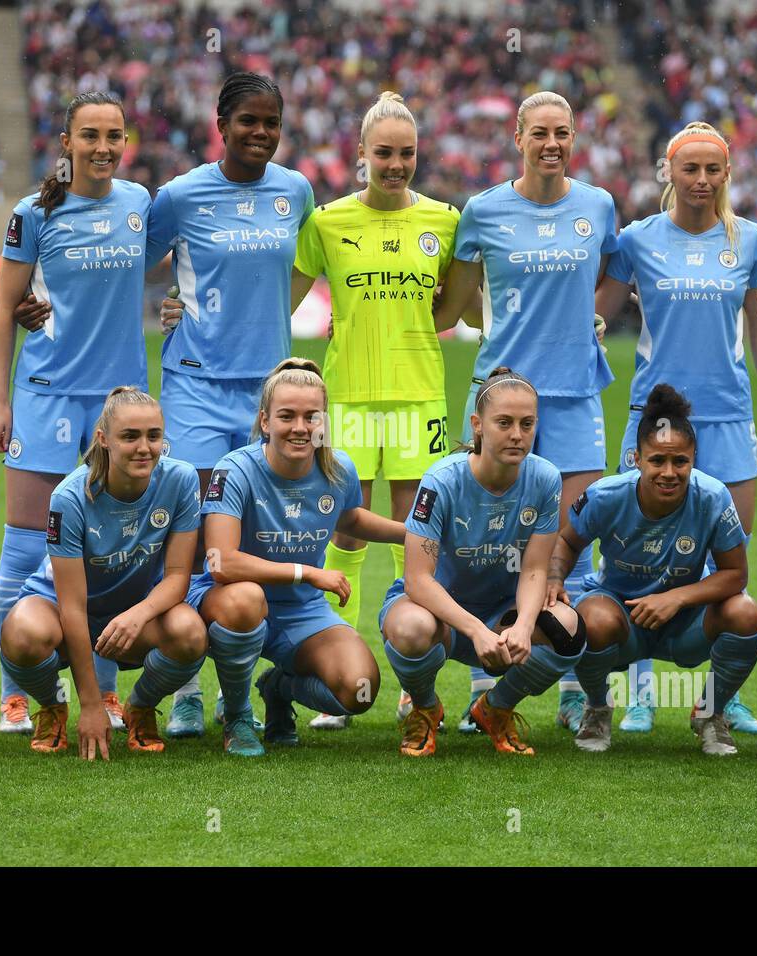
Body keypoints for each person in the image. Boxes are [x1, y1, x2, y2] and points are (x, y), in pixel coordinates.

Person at [590, 120, 757, 736]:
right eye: (690, 169)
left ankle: (717, 700)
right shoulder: (637, 240)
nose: (701, 180)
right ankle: (641, 693)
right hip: (653, 423)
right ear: (669, 174)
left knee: (725, 563)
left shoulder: (749, 241)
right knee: (634, 553)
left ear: (726, 175)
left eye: (713, 170)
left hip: (728, 418)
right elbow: (596, 310)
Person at [431, 91, 617, 731]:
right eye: (539, 132)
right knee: (486, 540)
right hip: (500, 394)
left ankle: (572, 687)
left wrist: (595, 320)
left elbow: (615, 275)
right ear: (518, 136)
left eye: (562, 133)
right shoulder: (483, 211)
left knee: (572, 550)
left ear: (573, 138)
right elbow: (450, 307)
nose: (551, 143)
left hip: (572, 396)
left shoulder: (598, 205)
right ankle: (483, 677)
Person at [141, 72, 316, 737]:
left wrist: (270, 311)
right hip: (195, 386)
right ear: (222, 124)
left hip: (268, 392)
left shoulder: (295, 191)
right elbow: (137, 261)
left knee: (255, 536)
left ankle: (237, 691)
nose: (261, 133)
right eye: (248, 121)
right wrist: (169, 303)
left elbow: (304, 263)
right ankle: (184, 683)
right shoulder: (182, 196)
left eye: (271, 122)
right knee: (186, 529)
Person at [290, 90, 461, 729]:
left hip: (420, 397)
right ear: (360, 155)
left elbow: (460, 308)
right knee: (346, 527)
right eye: (383, 153)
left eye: (406, 153)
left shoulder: (444, 221)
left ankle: (413, 683)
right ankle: (345, 670)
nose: (395, 164)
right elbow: (281, 297)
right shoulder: (328, 222)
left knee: (415, 533)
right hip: (351, 397)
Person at [0, 91, 149, 734]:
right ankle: (17, 692)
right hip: (46, 394)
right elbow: (6, 311)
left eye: (114, 135)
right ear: (67, 142)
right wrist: (1, 400)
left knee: (105, 548)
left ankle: (104, 690)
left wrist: (173, 307)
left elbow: (175, 261)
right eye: (90, 136)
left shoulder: (140, 204)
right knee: (25, 549)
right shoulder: (32, 214)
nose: (104, 147)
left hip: (118, 405)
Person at [187, 359, 405, 756]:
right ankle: (237, 716)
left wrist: (412, 534)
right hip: (232, 601)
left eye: (312, 417)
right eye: (287, 416)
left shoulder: (338, 469)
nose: (301, 428)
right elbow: (222, 563)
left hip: (301, 613)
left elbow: (349, 517)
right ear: (265, 421)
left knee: (359, 690)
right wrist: (306, 573)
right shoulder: (233, 471)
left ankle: (278, 687)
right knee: (246, 598)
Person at [549, 385, 757, 757]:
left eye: (680, 461)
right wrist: (554, 579)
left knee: (747, 614)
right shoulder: (605, 495)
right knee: (590, 618)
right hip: (622, 618)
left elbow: (735, 574)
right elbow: (567, 542)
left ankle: (710, 713)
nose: (669, 472)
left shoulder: (713, 498)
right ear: (636, 458)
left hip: (684, 622)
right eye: (657, 461)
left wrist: (675, 598)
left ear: (694, 458)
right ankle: (597, 709)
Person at [379, 368, 582, 756]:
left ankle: (495, 709)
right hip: (437, 612)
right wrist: (475, 630)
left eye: (527, 423)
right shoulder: (441, 481)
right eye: (504, 423)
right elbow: (418, 581)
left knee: (568, 628)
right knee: (410, 629)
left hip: (500, 614)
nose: (517, 435)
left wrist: (523, 625)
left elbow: (536, 567)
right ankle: (423, 707)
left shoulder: (545, 479)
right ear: (478, 425)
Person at [0, 387, 207, 760]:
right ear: (103, 440)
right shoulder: (68, 497)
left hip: (134, 614)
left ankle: (140, 707)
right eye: (130, 436)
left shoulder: (181, 479)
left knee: (190, 632)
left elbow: (178, 577)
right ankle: (54, 705)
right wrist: (91, 705)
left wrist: (137, 615)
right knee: (21, 632)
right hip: (63, 611)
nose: (144, 447)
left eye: (153, 436)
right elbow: (73, 608)